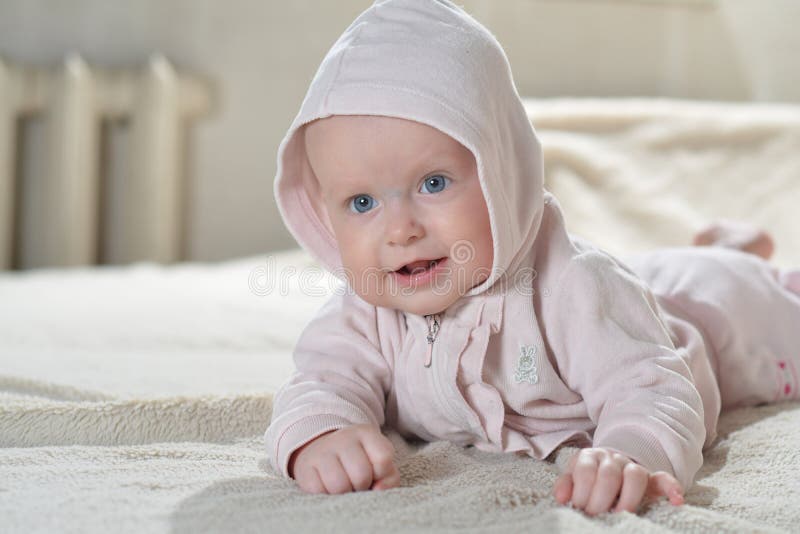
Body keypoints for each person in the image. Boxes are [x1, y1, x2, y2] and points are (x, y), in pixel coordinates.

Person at [264, 0, 800, 515]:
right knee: (659, 276)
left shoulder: (575, 286)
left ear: (504, 168)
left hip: (712, 314)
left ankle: (735, 258)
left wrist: (634, 454)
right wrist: (323, 433)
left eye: (433, 183)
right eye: (362, 202)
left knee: (758, 299)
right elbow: (321, 382)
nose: (400, 230)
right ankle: (724, 247)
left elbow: (652, 387)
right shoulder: (364, 311)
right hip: (643, 281)